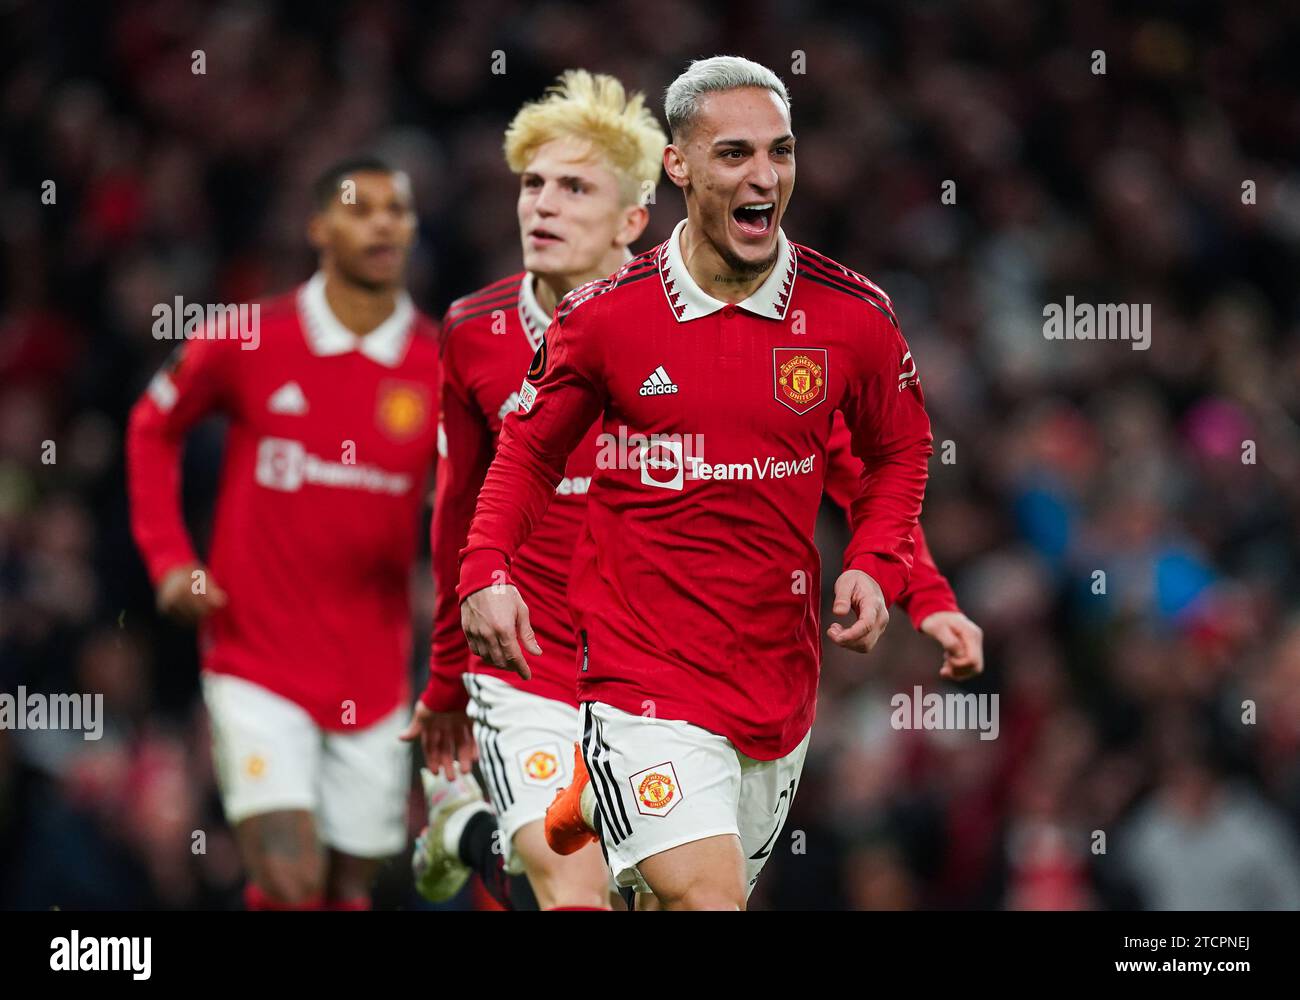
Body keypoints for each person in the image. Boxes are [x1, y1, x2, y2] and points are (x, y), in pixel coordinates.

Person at [458, 56, 934, 910]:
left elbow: (902, 451)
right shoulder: (604, 317)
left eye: (781, 153)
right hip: (639, 676)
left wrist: (877, 561)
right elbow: (525, 455)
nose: (764, 176)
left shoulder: (852, 316)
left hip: (774, 685)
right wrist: (486, 570)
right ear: (677, 165)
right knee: (706, 902)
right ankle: (556, 805)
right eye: (735, 154)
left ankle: (578, 817)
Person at [127, 158, 439, 910]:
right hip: (253, 660)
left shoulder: (440, 363)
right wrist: (172, 560)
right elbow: (151, 427)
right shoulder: (249, 337)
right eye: (359, 208)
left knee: (343, 888)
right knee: (291, 880)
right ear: (317, 228)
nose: (382, 223)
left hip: (373, 672)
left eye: (396, 209)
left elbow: (488, 485)